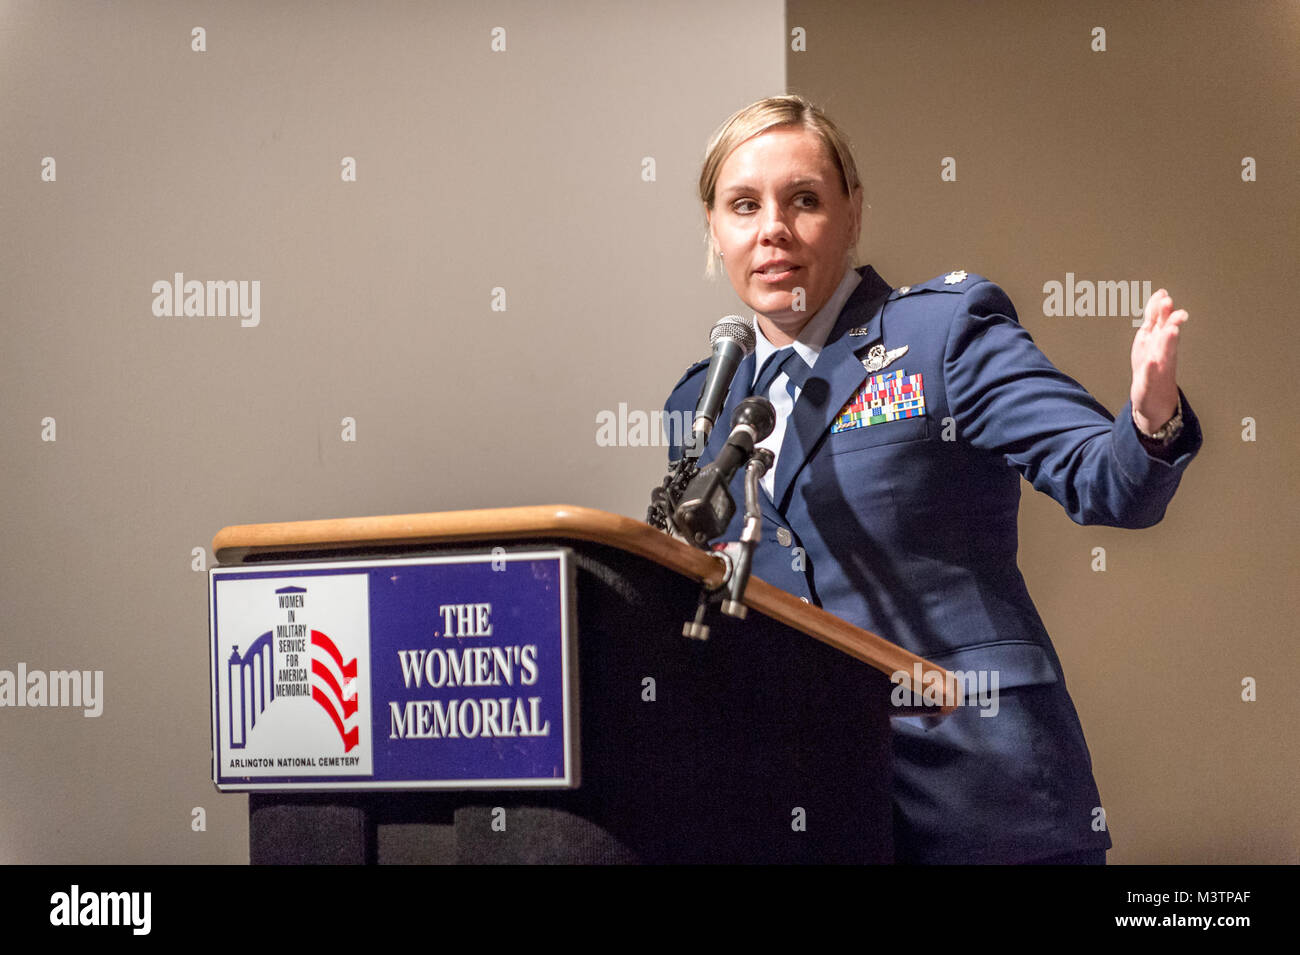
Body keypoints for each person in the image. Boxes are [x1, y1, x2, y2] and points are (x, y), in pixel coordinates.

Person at [662, 95, 1201, 864]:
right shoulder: (701, 400)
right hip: (802, 808)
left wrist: (1148, 418)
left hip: (983, 794)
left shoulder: (940, 334)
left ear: (853, 215)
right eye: (743, 205)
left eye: (804, 199)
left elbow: (1104, 479)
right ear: (715, 232)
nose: (772, 227)